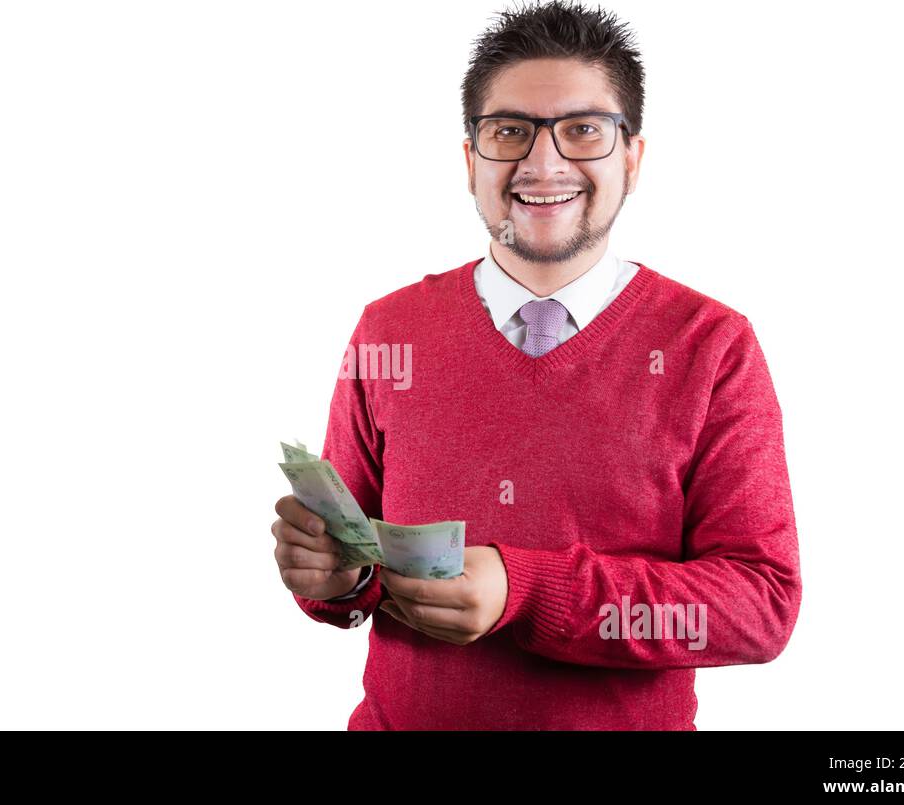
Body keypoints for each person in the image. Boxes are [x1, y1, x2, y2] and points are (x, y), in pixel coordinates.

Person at [271, 0, 801, 730]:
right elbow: (346, 565)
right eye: (509, 130)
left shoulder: (713, 346)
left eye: (583, 130)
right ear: (471, 160)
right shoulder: (388, 329)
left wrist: (527, 589)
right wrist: (335, 576)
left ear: (632, 158)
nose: (543, 162)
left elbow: (760, 607)